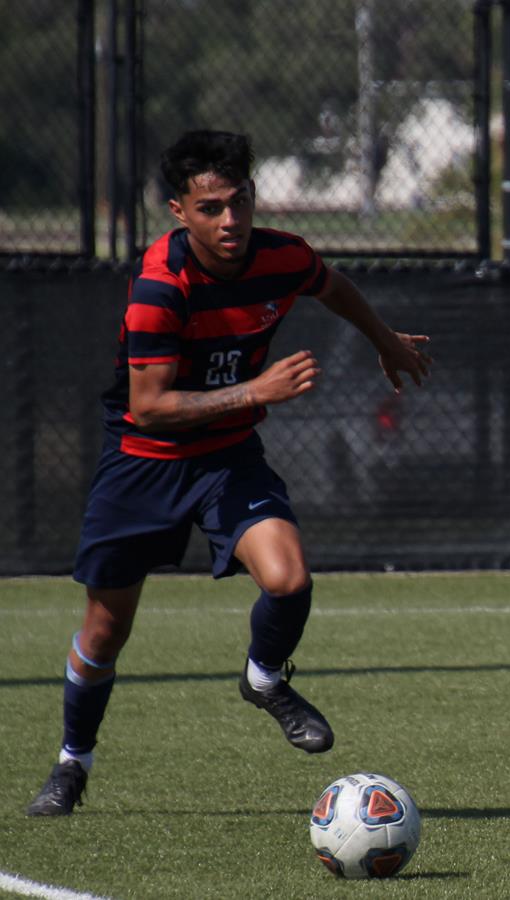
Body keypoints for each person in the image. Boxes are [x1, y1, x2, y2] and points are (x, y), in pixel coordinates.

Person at [24, 130, 431, 817]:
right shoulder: (161, 286)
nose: (229, 220)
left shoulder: (282, 256)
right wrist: (256, 391)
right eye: (210, 208)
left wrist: (384, 340)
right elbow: (149, 407)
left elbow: (332, 286)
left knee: (289, 578)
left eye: (239, 201)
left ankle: (264, 677)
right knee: (105, 632)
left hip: (226, 459)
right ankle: (72, 762)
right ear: (180, 211)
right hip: (142, 466)